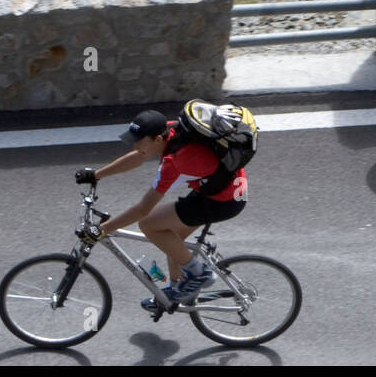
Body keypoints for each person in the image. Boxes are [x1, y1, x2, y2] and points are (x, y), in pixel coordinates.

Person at [73, 106, 251, 307]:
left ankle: (199, 274)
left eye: (138, 141)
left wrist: (101, 230)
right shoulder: (169, 130)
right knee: (171, 239)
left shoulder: (174, 163)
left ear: (156, 140)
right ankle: (175, 293)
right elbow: (139, 156)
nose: (135, 145)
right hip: (225, 187)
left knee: (149, 224)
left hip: (222, 200)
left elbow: (143, 208)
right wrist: (97, 174)